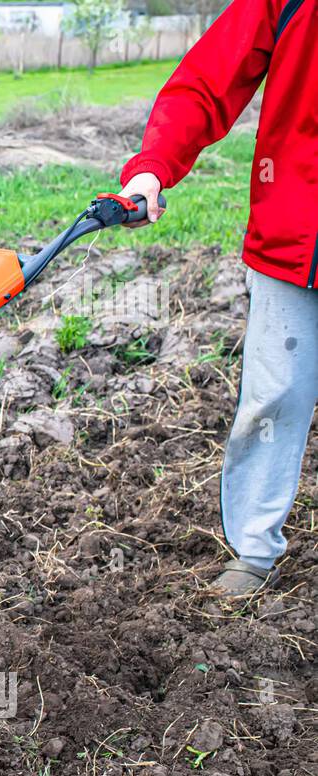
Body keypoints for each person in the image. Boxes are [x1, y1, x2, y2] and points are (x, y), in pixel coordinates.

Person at [119, 0, 316, 597]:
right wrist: (152, 168)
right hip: (298, 229)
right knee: (274, 393)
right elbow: (207, 82)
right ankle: (255, 551)